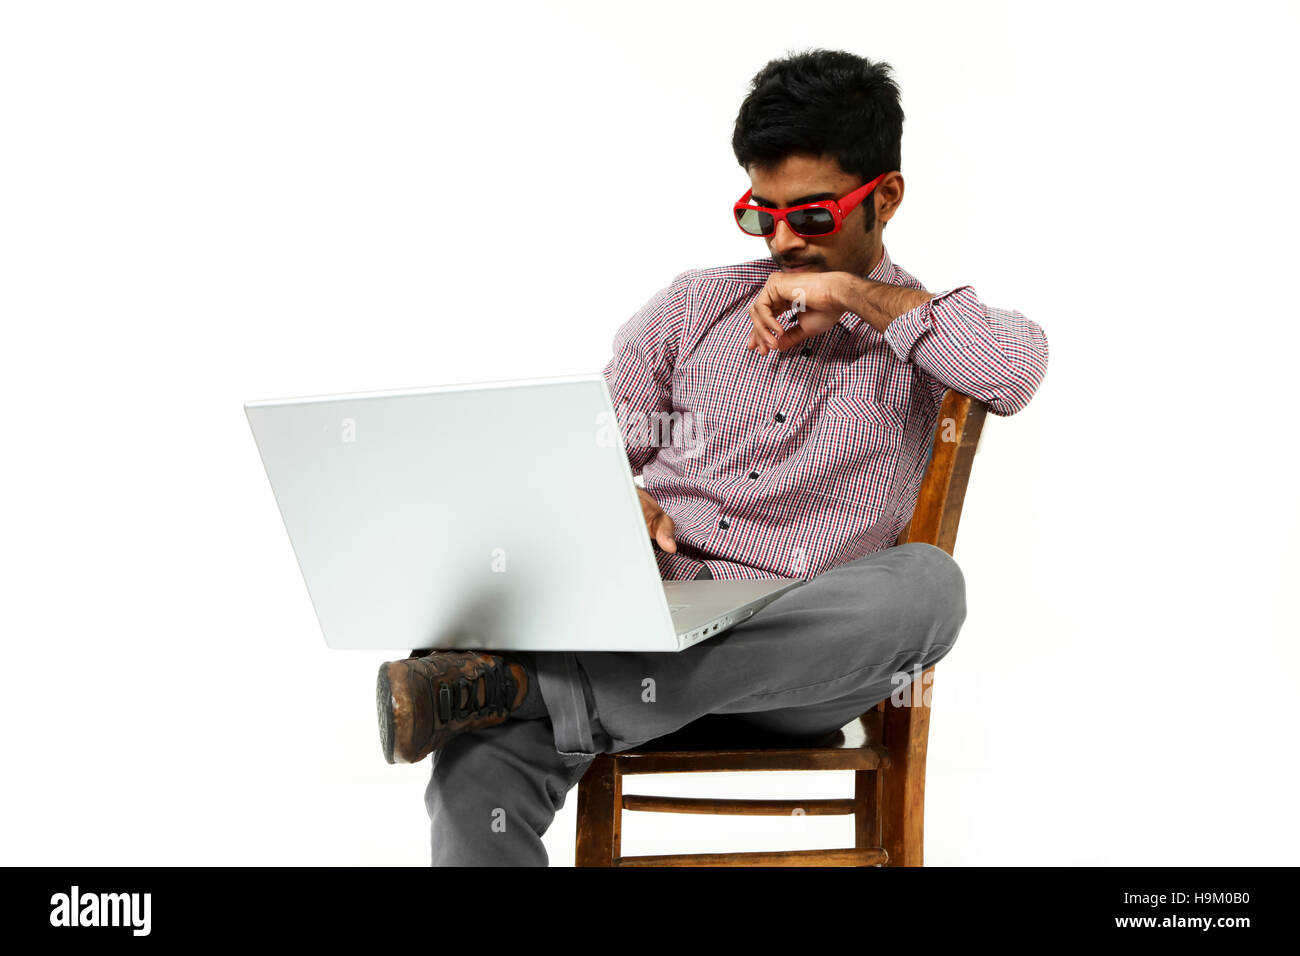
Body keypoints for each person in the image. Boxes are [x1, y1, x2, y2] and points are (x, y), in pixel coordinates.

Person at [375, 48, 1050, 865]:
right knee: (474, 763)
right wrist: (611, 503)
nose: (783, 242)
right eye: (762, 214)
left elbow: (1015, 368)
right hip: (643, 626)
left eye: (812, 217)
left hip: (796, 671)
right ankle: (536, 694)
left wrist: (850, 296)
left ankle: (538, 690)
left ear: (887, 199)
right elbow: (567, 460)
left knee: (929, 588)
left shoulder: (921, 333)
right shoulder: (696, 306)